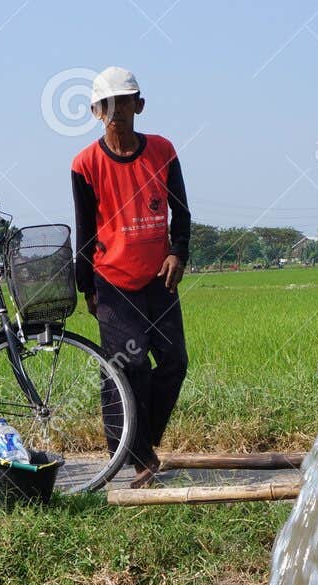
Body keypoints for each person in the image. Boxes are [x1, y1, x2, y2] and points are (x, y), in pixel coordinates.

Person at [71, 66, 191, 487]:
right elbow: (85, 230)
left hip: (159, 278)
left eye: (124, 101)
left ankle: (138, 446)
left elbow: (183, 212)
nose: (115, 111)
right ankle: (136, 456)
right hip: (113, 280)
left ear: (139, 105)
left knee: (174, 362)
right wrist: (86, 286)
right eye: (107, 104)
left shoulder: (163, 151)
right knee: (128, 366)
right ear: (95, 111)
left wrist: (179, 251)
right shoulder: (85, 164)